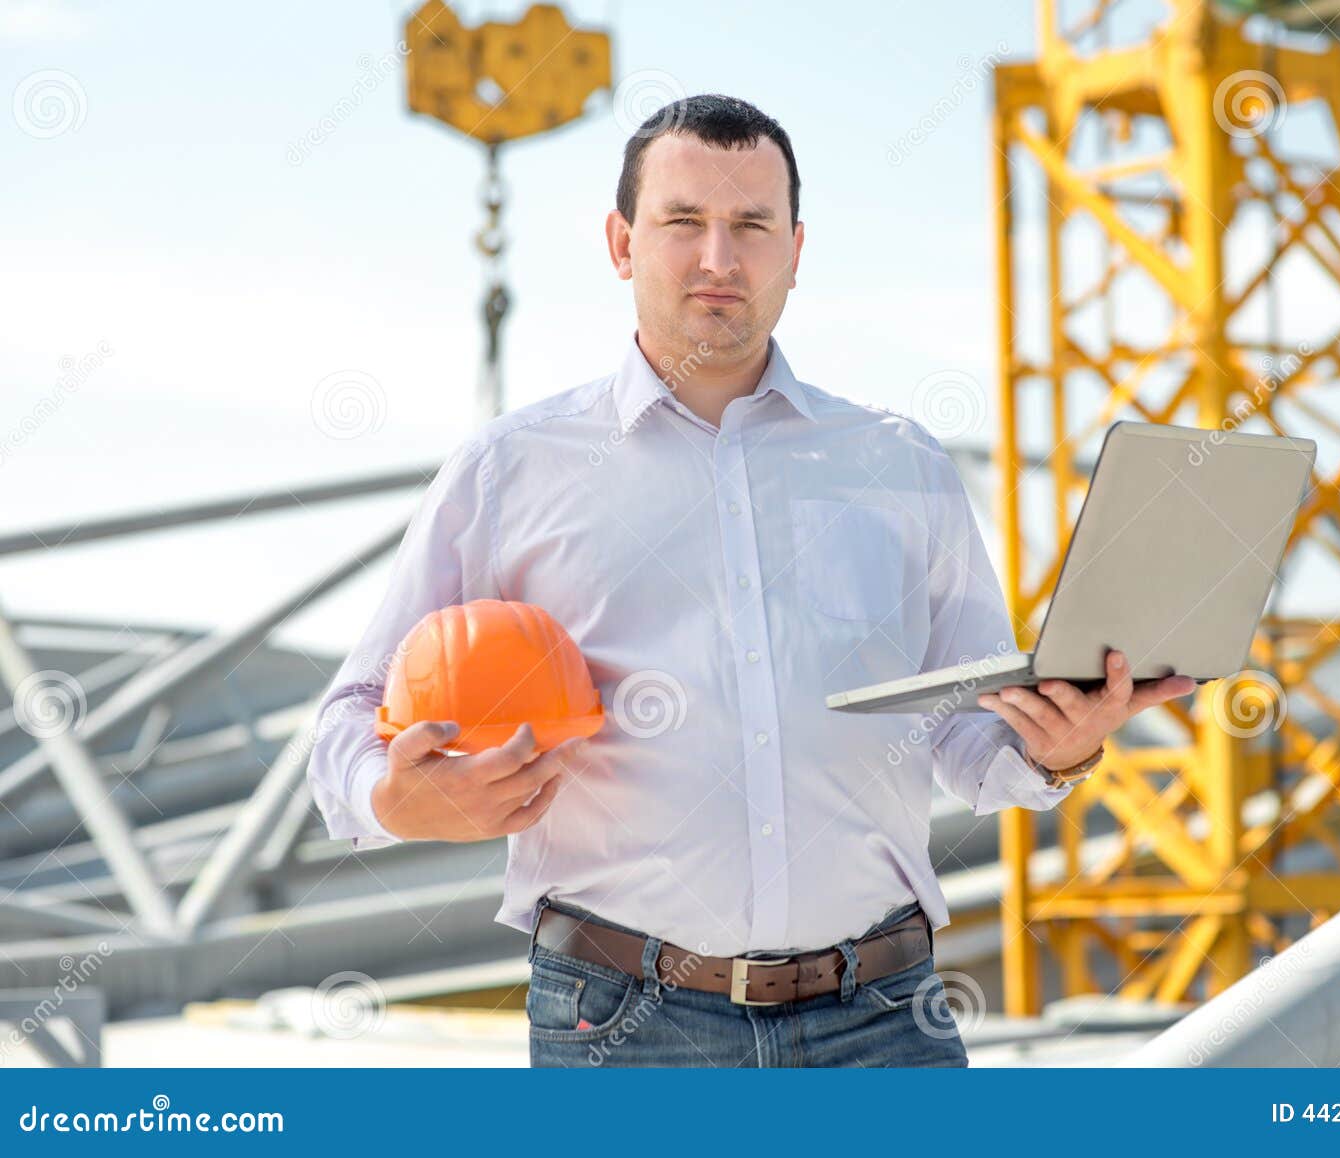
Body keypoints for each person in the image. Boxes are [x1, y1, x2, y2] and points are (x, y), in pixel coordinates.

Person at [306, 93, 1195, 1068]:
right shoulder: (511, 470)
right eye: (682, 222)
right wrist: (392, 801)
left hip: (882, 1020)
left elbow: (966, 735)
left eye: (750, 226)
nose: (718, 259)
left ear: (796, 250)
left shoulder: (899, 464)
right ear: (620, 241)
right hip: (622, 1028)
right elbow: (354, 708)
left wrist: (1058, 749)